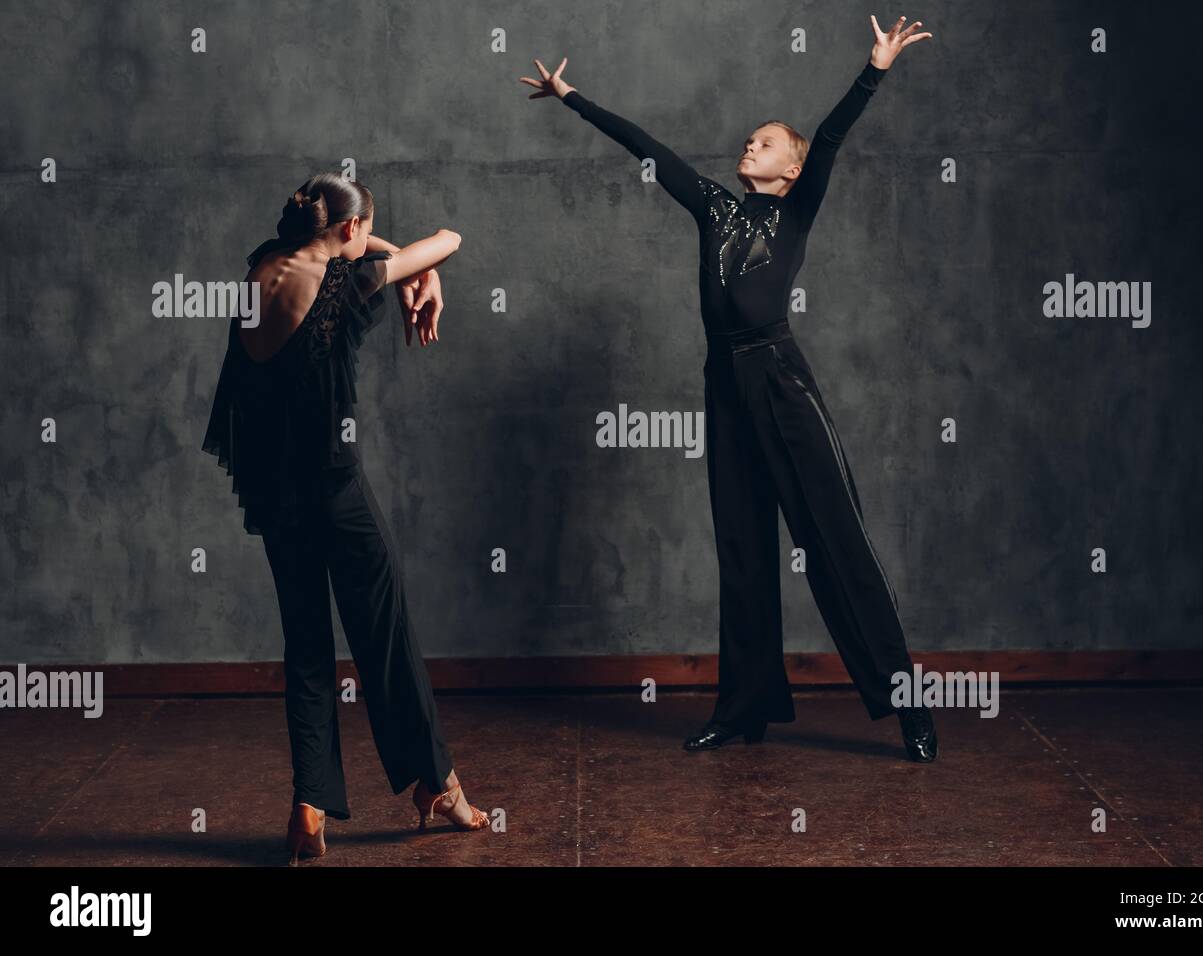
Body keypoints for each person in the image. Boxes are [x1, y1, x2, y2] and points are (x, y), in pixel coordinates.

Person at [522, 15, 939, 760]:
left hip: (782, 380)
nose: (753, 143)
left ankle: (905, 702)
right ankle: (745, 707)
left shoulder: (798, 207)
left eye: (767, 141)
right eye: (751, 138)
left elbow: (833, 135)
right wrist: (570, 96)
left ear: (790, 169)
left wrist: (873, 71)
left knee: (834, 540)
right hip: (727, 386)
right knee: (742, 550)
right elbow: (649, 148)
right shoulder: (714, 206)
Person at [201, 172, 490, 865]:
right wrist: (424, 277)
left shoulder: (260, 267)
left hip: (274, 494)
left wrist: (372, 249)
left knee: (306, 645)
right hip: (334, 488)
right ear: (353, 232)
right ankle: (438, 786)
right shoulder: (347, 285)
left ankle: (308, 807)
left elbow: (346, 246)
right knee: (385, 632)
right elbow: (448, 240)